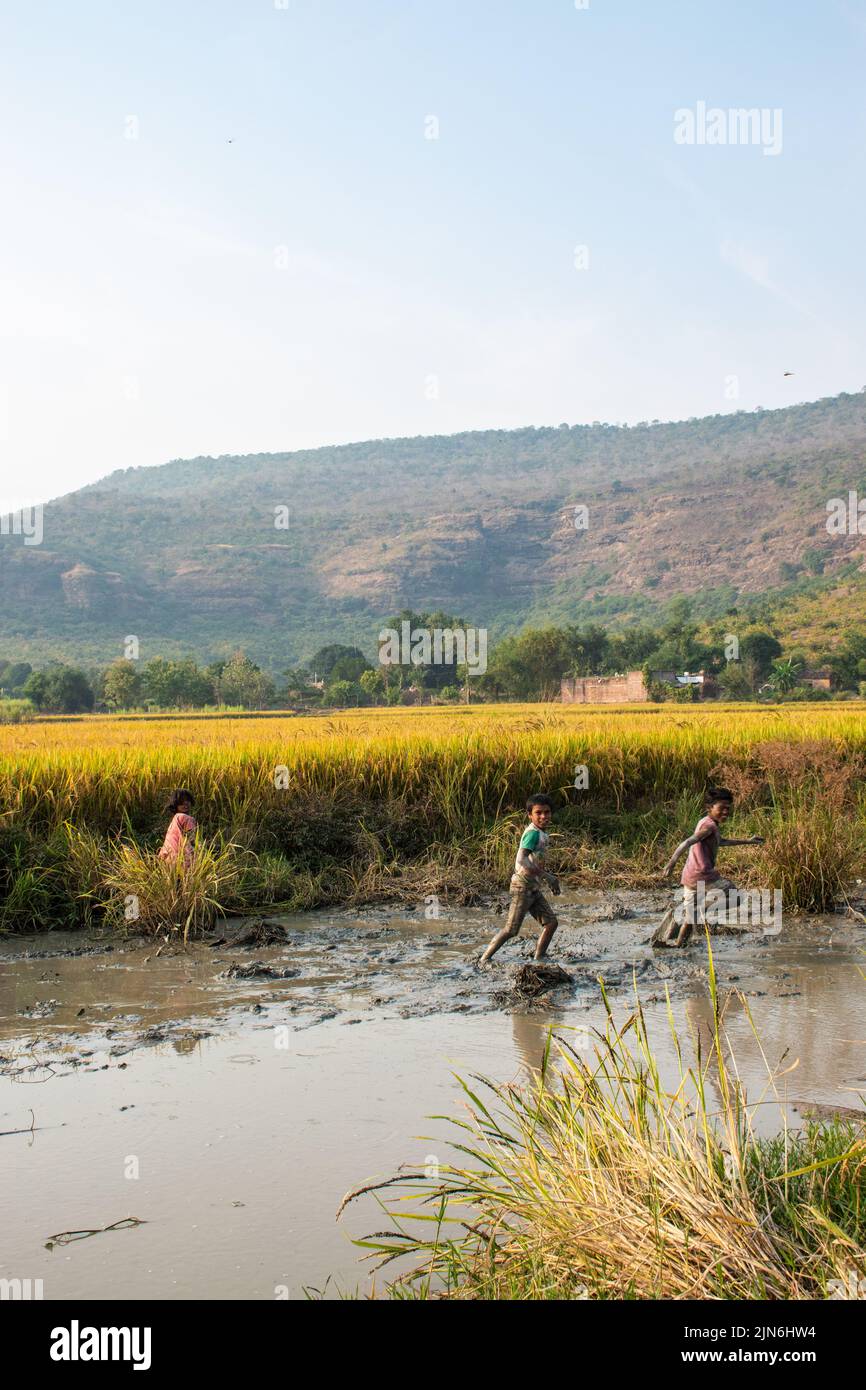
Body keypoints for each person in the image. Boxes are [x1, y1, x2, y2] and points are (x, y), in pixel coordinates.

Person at [653, 787, 763, 948]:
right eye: (721, 808)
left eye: (728, 809)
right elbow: (687, 842)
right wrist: (671, 862)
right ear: (709, 808)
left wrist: (749, 841)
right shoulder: (709, 826)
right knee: (736, 896)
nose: (725, 812)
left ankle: (678, 945)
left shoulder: (705, 822)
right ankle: (697, 912)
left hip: (689, 877)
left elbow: (722, 842)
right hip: (702, 875)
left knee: (691, 918)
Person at [479, 794, 561, 964]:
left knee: (551, 923)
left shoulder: (542, 833)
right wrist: (548, 877)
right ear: (529, 815)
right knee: (511, 930)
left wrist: (546, 879)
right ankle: (483, 960)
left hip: (533, 887)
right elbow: (521, 859)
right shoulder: (532, 834)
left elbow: (534, 860)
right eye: (538, 813)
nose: (543, 816)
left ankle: (539, 959)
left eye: (547, 812)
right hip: (522, 887)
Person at [158, 789, 197, 868]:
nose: (185, 804)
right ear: (175, 804)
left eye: (187, 801)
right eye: (181, 802)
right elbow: (192, 840)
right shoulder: (186, 818)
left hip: (167, 858)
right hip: (181, 860)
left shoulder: (175, 818)